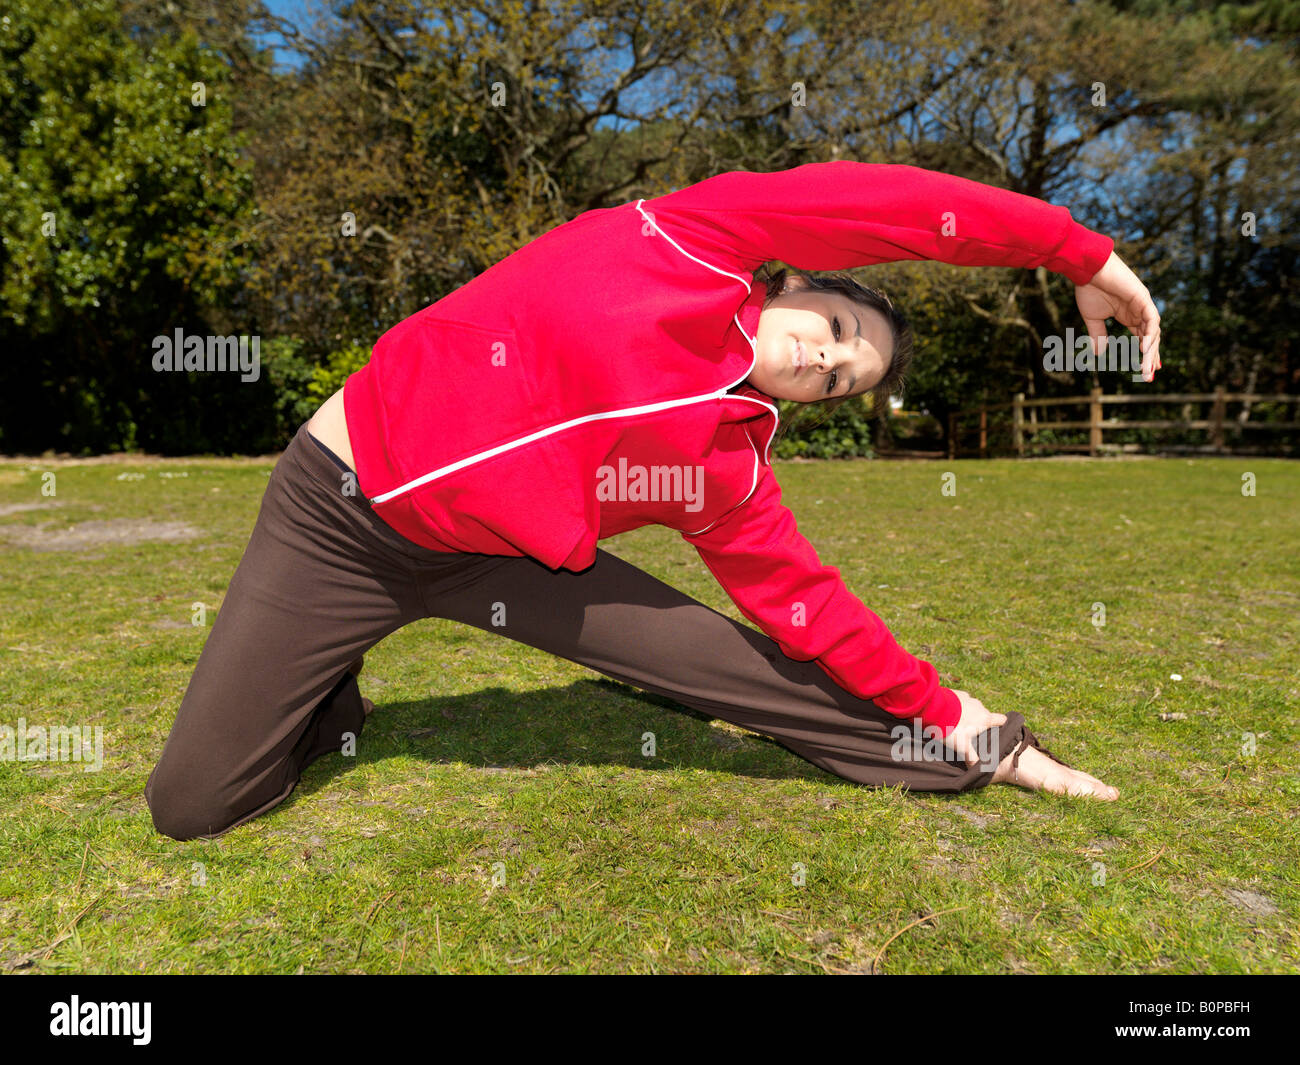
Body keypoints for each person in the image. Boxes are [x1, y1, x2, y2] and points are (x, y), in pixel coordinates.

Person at [144, 161, 1161, 841]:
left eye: (848, 378)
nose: (831, 359)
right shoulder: (685, 237)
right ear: (801, 284)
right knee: (193, 806)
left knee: (761, 673)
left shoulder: (727, 469)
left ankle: (978, 753)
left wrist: (955, 718)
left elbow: (809, 610)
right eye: (841, 324)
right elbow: (886, 202)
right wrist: (1078, 252)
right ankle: (325, 689)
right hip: (338, 515)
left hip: (514, 563)